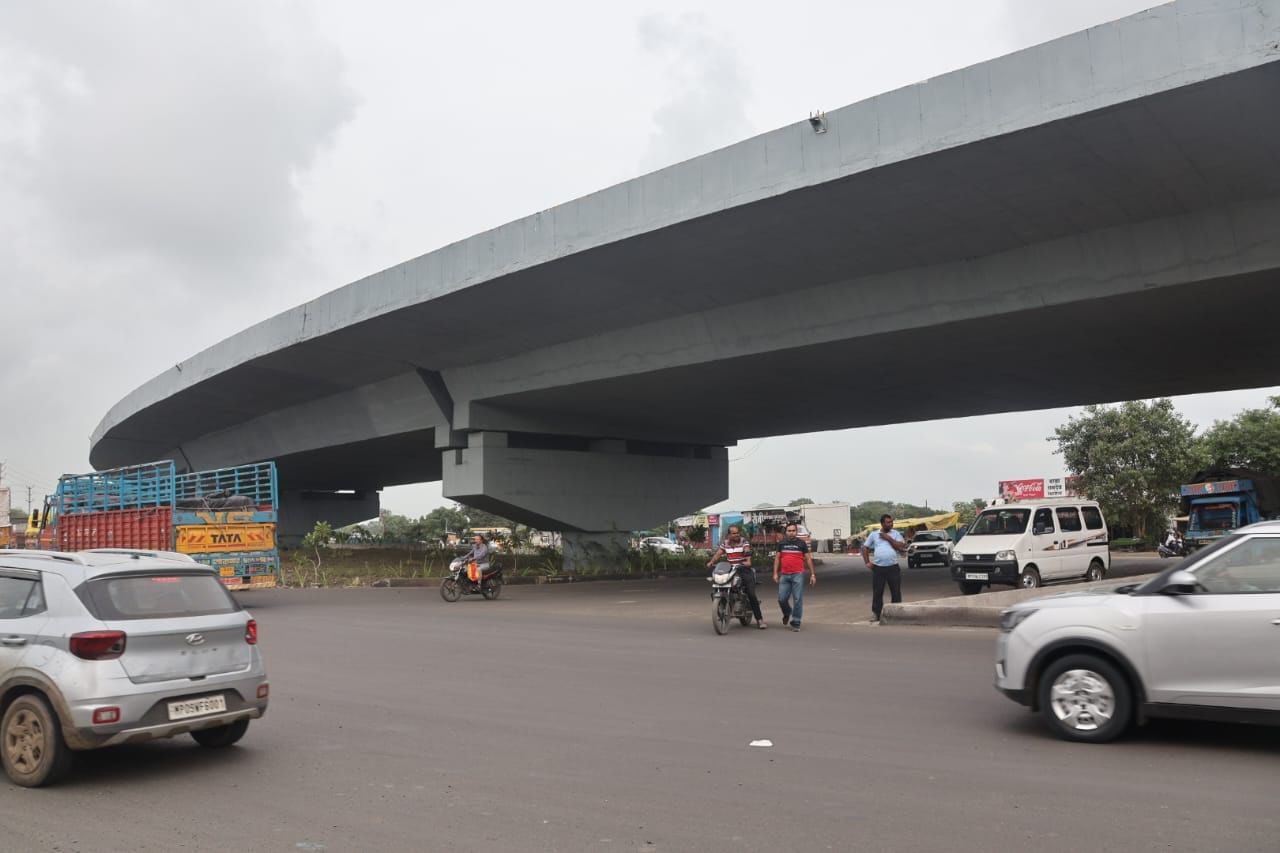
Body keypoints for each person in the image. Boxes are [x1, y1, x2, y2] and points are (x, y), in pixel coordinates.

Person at [707, 525, 766, 629]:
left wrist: (747, 560)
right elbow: (718, 554)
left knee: (751, 594)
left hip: (744, 570)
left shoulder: (744, 542)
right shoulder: (725, 543)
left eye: (738, 532)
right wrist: (711, 562)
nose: (736, 535)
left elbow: (747, 552)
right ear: (729, 535)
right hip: (731, 570)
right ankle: (724, 605)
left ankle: (759, 620)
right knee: (720, 585)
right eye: (734, 533)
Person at [862, 514, 906, 623]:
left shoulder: (895, 534)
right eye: (888, 522)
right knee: (878, 592)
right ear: (882, 523)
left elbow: (901, 547)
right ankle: (876, 614)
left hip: (893, 567)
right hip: (878, 568)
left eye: (891, 522)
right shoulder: (874, 534)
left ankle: (896, 614)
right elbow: (865, 547)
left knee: (896, 591)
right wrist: (867, 562)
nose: (891, 524)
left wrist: (889, 538)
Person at [773, 523, 816, 631]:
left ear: (796, 532)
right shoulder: (781, 544)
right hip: (784, 575)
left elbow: (808, 559)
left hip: (798, 574)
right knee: (781, 599)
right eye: (789, 530)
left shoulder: (801, 543)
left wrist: (812, 574)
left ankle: (796, 621)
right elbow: (777, 559)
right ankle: (787, 613)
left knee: (797, 599)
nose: (791, 533)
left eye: (793, 531)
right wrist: (775, 573)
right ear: (786, 532)